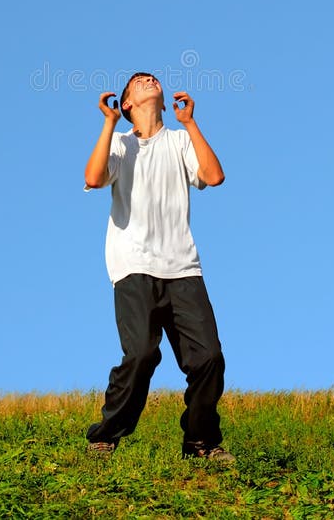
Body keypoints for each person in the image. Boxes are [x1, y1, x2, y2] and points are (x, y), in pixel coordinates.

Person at [84, 71, 234, 462]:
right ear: (127, 103)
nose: (149, 80)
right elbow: (94, 177)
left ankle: (200, 443)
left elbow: (214, 176)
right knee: (141, 355)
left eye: (153, 78)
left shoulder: (181, 141)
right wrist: (108, 123)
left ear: (164, 100)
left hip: (183, 267)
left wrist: (190, 123)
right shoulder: (118, 144)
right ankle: (105, 435)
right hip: (133, 266)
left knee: (208, 358)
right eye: (138, 81)